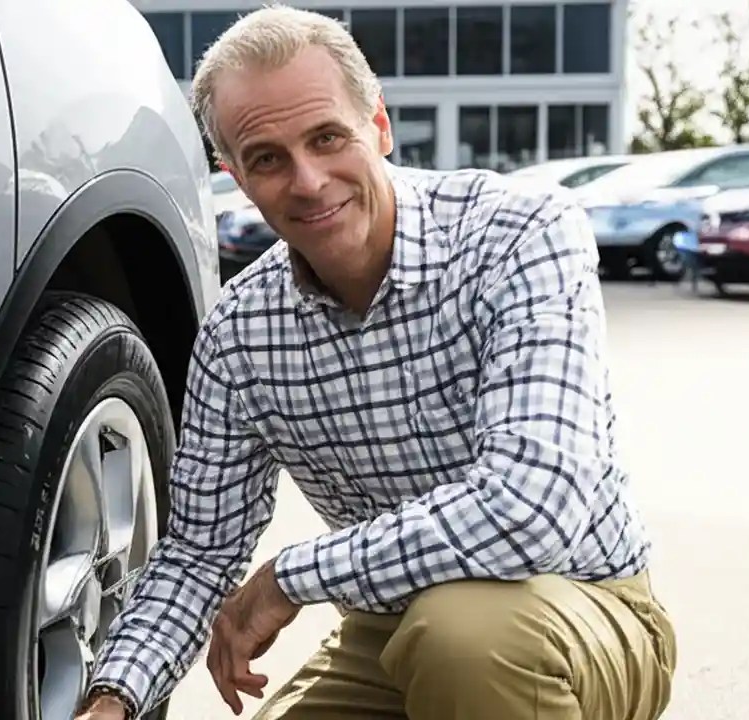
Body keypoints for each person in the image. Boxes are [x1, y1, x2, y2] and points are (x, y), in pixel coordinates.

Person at [74, 6, 677, 719]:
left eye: (327, 137)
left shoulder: (521, 234)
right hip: (387, 630)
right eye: (267, 158)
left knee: (462, 637)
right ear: (234, 173)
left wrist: (291, 576)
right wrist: (113, 699)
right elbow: (199, 553)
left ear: (379, 125)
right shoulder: (241, 332)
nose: (307, 180)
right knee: (433, 635)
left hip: (577, 612)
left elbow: (531, 507)